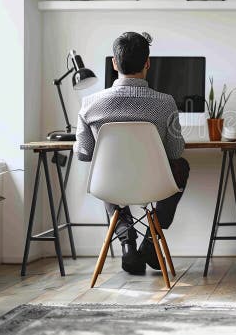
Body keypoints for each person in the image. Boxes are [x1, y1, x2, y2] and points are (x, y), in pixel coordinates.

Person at [74, 32, 190, 275]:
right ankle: (151, 241)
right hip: (154, 185)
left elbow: (85, 154)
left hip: (110, 186)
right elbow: (175, 151)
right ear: (147, 63)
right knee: (181, 166)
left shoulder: (89, 104)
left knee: (103, 168)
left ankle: (127, 242)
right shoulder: (165, 103)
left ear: (114, 64)